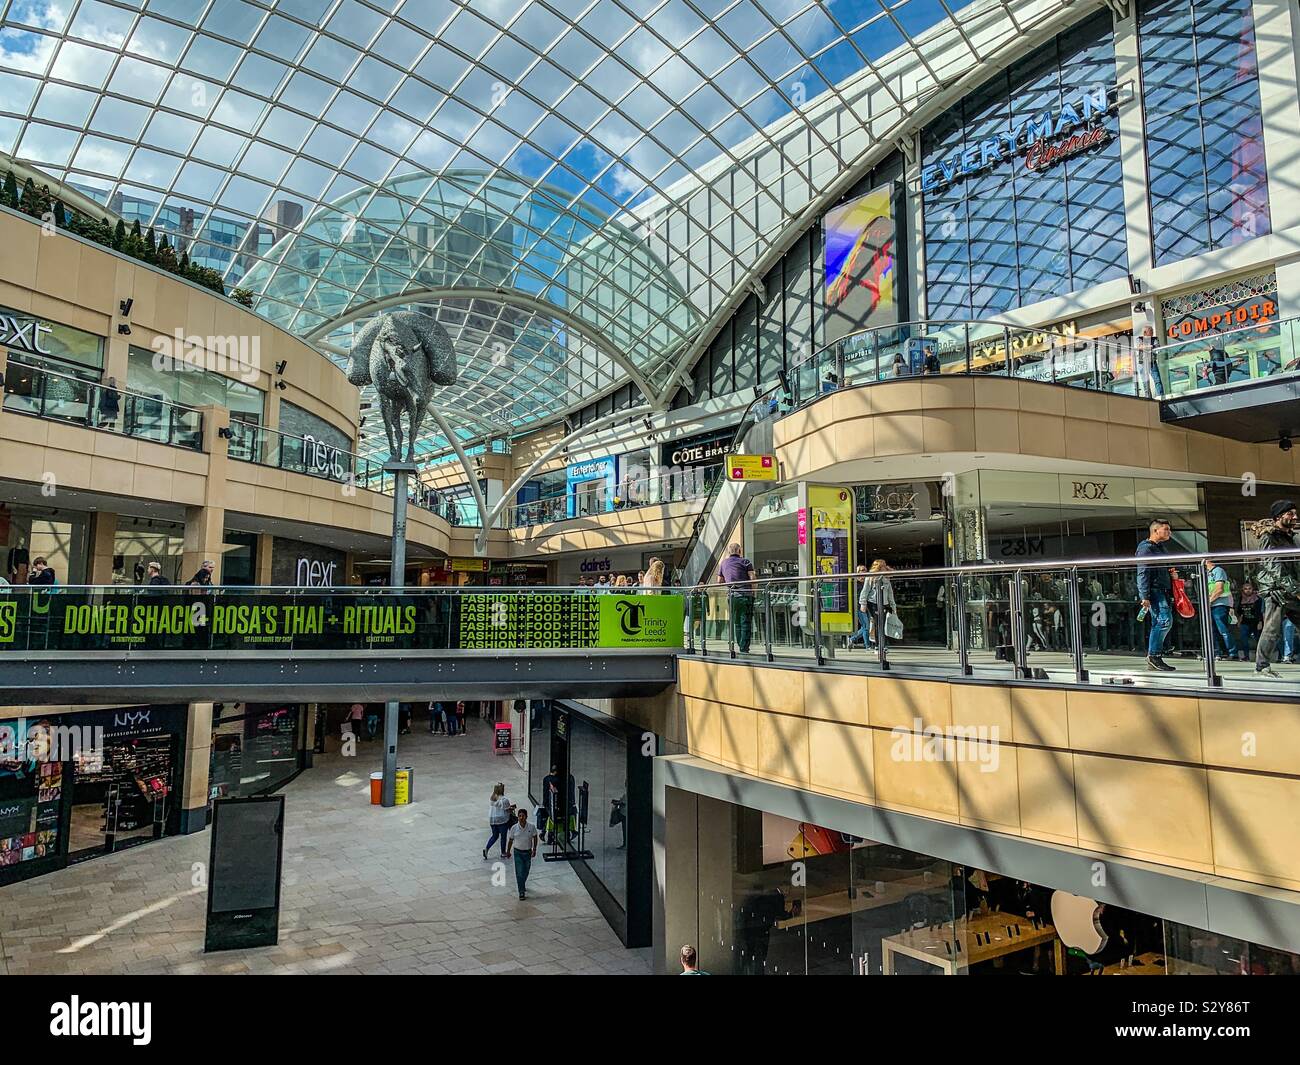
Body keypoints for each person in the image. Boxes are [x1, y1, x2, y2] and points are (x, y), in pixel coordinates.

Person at [1250, 500, 1300, 678]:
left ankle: (1261, 667)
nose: (1294, 517)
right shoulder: (1269, 537)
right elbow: (1272, 565)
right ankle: (1260, 667)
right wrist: (1296, 588)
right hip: (1275, 590)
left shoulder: (1289, 537)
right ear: (1279, 516)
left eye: (1294, 513)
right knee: (1271, 629)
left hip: (1289, 589)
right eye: (1290, 514)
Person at [1135, 518, 1178, 672]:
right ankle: (1154, 655)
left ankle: (1155, 656)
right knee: (1164, 621)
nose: (1169, 532)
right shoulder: (1146, 548)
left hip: (1163, 589)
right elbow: (1143, 572)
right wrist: (1144, 596)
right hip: (1155, 590)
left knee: (1160, 622)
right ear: (1155, 530)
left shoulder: (1160, 548)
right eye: (1166, 529)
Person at [716, 542, 756, 653]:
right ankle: (744, 648)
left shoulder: (723, 563)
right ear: (739, 551)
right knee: (746, 622)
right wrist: (754, 592)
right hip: (745, 595)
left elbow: (719, 581)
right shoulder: (745, 562)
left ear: (729, 552)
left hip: (732, 596)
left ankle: (740, 644)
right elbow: (752, 578)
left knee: (737, 622)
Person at [1203, 558, 1238, 660]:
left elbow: (1219, 589)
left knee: (1223, 629)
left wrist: (1208, 601)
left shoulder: (1218, 571)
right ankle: (1217, 653)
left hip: (1219, 604)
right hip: (1212, 605)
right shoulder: (1207, 573)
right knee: (1213, 630)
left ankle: (1232, 653)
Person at [859, 559, 896, 649]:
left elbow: (890, 593)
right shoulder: (870, 577)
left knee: (884, 623)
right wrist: (863, 603)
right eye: (882, 566)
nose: (884, 568)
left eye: (884, 566)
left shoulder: (886, 578)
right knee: (877, 623)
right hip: (873, 603)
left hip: (885, 603)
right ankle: (878, 644)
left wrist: (893, 606)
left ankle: (882, 643)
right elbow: (865, 591)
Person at [506, 807, 540, 900]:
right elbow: (510, 840)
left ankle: (522, 883)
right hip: (518, 852)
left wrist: (534, 849)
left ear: (526, 817)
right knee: (519, 872)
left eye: (523, 816)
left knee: (526, 870)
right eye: (519, 816)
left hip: (527, 852)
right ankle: (521, 891)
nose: (521, 818)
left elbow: (535, 837)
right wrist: (508, 851)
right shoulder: (514, 828)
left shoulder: (531, 827)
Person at [483, 782, 514, 860]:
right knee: (503, 837)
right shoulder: (504, 799)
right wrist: (512, 808)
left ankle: (487, 849)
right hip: (502, 820)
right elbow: (507, 810)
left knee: (495, 835)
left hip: (492, 819)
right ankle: (503, 852)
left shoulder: (492, 798)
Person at [1237, 581, 1262, 660]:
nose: (1247, 590)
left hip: (1255, 622)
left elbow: (1261, 611)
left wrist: (1260, 622)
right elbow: (1239, 612)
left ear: (1252, 589)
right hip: (1245, 622)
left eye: (1249, 588)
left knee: (1258, 640)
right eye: (1245, 589)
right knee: (1244, 640)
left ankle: (1260, 657)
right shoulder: (1241, 598)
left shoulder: (1258, 599)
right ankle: (1246, 656)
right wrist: (1239, 621)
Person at [847, 563, 871, 648]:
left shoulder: (867, 582)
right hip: (859, 607)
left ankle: (852, 639)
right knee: (866, 626)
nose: (865, 572)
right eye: (862, 570)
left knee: (866, 626)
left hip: (867, 606)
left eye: (865, 570)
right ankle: (867, 645)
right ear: (858, 572)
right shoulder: (854, 583)